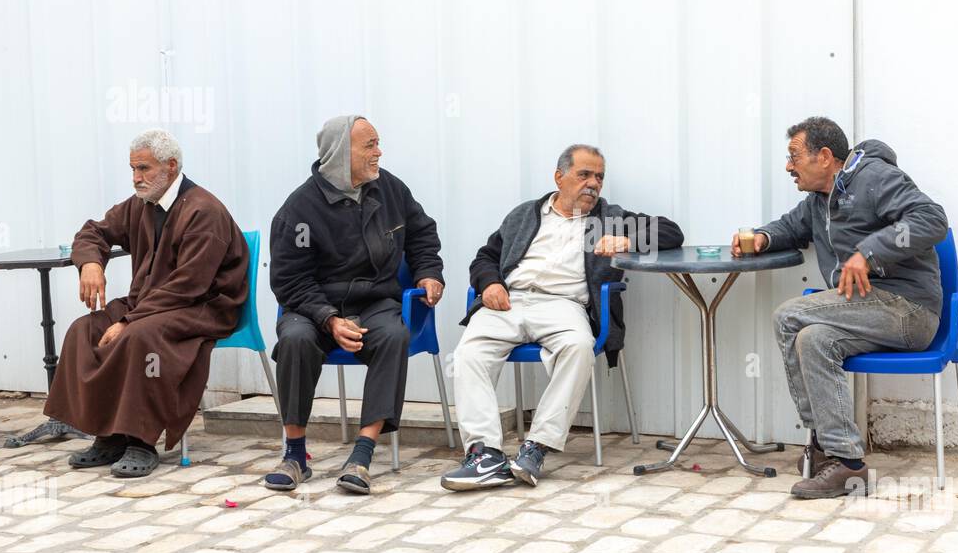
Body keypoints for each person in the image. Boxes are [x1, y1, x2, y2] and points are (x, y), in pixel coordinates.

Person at [441, 143, 684, 491]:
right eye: (584, 174)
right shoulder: (525, 214)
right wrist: (490, 283)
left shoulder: (608, 218)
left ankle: (536, 448)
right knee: (468, 354)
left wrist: (625, 241)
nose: (593, 184)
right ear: (559, 177)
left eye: (599, 177)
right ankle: (485, 455)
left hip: (565, 305)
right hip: (510, 300)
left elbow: (671, 232)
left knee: (579, 346)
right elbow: (485, 257)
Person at [738, 116, 947, 499]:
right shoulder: (819, 202)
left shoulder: (876, 178)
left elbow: (932, 220)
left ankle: (819, 443)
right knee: (814, 339)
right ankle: (848, 464)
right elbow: (791, 228)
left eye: (794, 156)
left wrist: (868, 252)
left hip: (908, 310)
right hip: (866, 312)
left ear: (824, 156)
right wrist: (763, 238)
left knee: (787, 316)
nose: (788, 166)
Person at [50, 129, 248, 478]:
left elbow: (189, 285)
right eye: (133, 169)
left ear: (170, 166)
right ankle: (109, 434)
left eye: (143, 168)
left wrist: (128, 320)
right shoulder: (139, 205)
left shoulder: (204, 211)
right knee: (85, 329)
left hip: (202, 307)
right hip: (150, 303)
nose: (136, 178)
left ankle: (141, 440)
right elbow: (93, 231)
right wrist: (91, 263)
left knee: (138, 336)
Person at [267, 115, 443, 495]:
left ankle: (362, 454)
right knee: (295, 339)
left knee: (394, 334)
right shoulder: (299, 210)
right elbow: (289, 281)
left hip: (374, 300)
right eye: (370, 145)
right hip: (314, 306)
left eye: (378, 143)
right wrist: (329, 319)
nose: (379, 152)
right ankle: (294, 455)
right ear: (340, 153)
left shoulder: (390, 189)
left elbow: (422, 233)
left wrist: (429, 272)